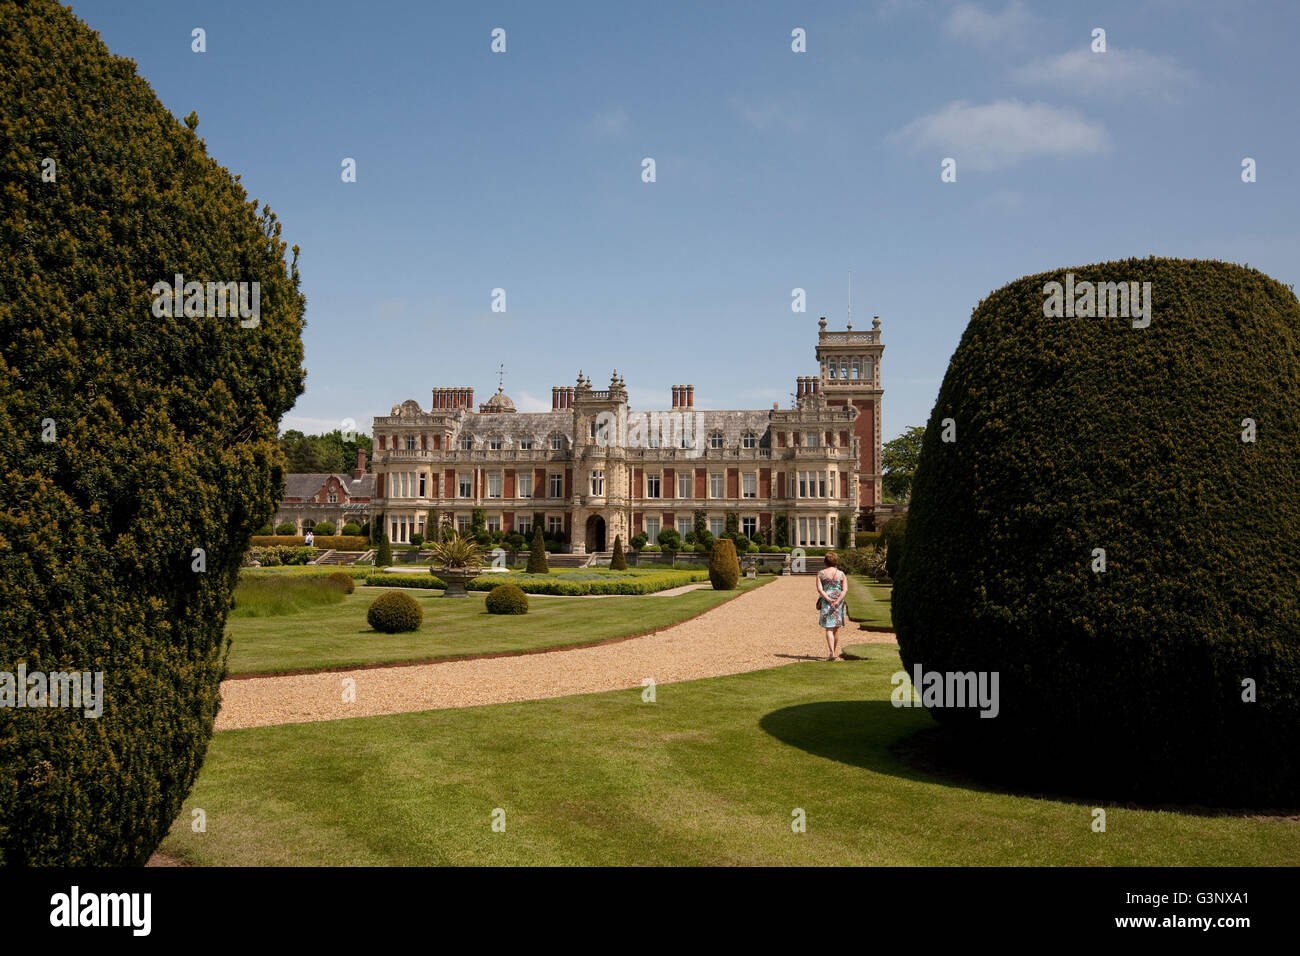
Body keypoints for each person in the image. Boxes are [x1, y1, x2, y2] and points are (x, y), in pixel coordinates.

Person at [816, 551, 847, 660]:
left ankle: (832, 652)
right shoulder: (841, 574)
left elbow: (820, 589)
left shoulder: (821, 573)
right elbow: (844, 590)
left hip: (826, 601)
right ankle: (833, 652)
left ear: (825, 561)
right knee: (836, 628)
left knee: (829, 628)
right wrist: (838, 600)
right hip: (838, 601)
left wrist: (828, 598)